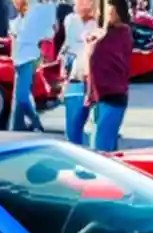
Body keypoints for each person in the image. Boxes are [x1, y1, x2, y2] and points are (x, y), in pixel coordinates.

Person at [85, 0, 133, 150]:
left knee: (100, 149)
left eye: (111, 10)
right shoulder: (102, 33)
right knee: (104, 149)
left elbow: (112, 61)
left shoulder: (122, 33)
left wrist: (94, 41)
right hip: (98, 96)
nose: (107, 13)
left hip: (112, 96)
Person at [9, 0, 55, 130]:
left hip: (28, 58)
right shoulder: (21, 15)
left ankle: (36, 123)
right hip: (19, 58)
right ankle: (17, 128)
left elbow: (48, 32)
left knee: (22, 97)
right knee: (19, 98)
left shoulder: (36, 10)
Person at [61, 0, 97, 144]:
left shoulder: (98, 23)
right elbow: (67, 50)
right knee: (72, 130)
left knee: (93, 129)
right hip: (74, 80)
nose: (83, 3)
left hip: (93, 82)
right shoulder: (70, 20)